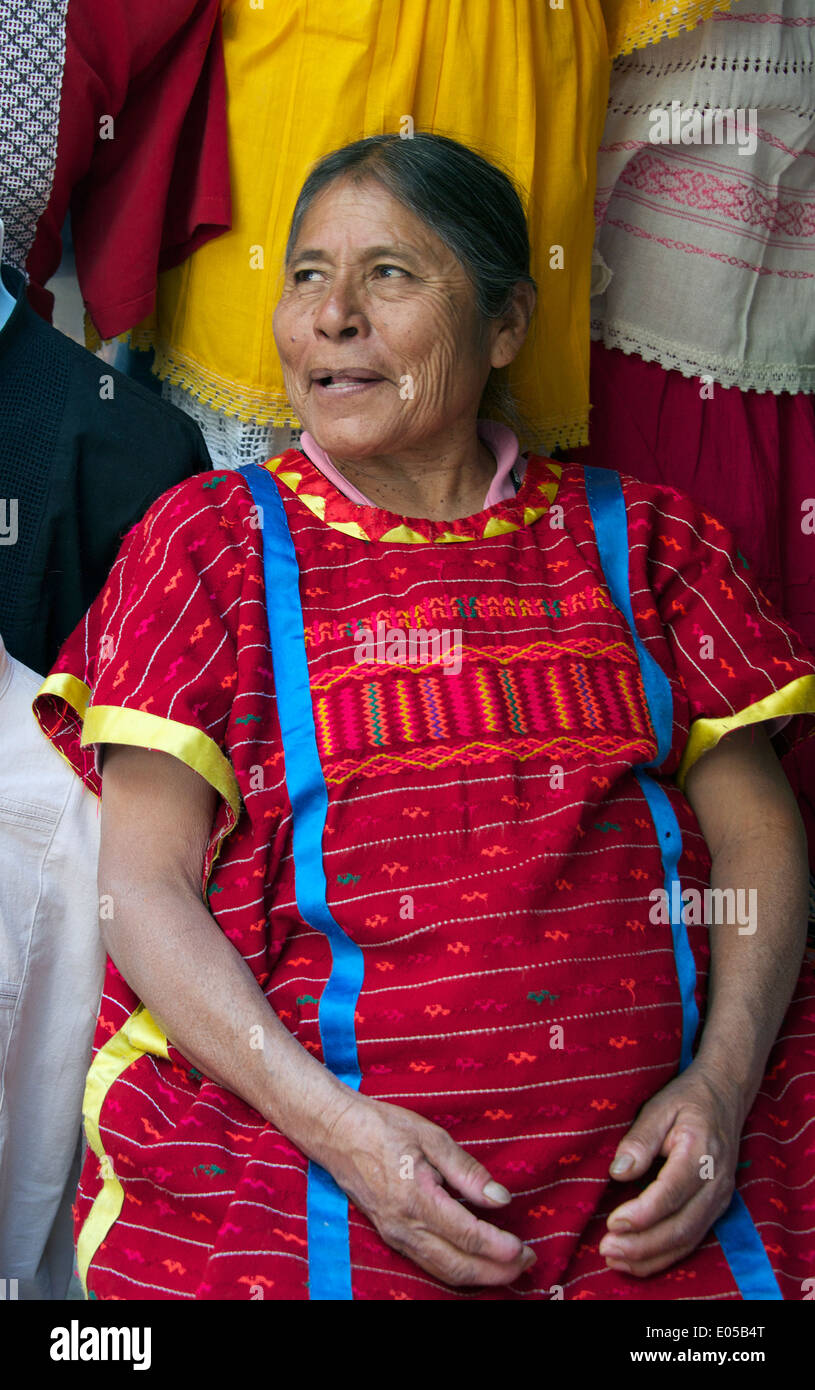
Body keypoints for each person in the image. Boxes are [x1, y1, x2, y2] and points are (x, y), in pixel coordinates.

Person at [34, 133, 815, 1301]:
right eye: (305, 275)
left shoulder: (645, 542)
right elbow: (139, 889)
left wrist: (718, 1082)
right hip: (308, 1181)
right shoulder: (207, 546)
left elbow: (758, 846)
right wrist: (343, 1132)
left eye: (389, 274)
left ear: (504, 325)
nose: (332, 315)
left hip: (665, 1192)